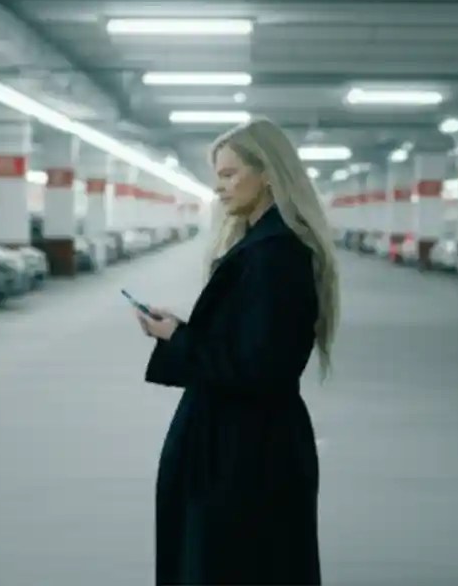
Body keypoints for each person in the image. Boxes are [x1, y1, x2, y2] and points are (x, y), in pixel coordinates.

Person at [135, 117, 341, 585]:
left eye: (229, 174)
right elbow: (248, 346)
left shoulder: (275, 255)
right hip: (244, 442)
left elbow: (260, 367)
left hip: (245, 454)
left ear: (267, 172)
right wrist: (181, 332)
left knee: (231, 567)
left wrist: (178, 339)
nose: (219, 186)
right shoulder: (264, 246)